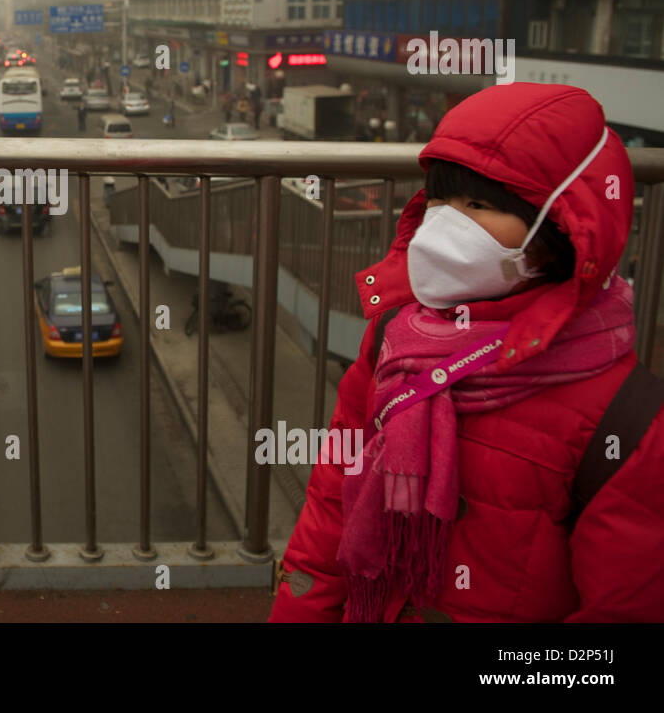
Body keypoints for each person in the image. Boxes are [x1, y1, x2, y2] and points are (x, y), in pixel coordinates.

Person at [270, 83, 664, 623]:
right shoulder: (393, 335)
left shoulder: (628, 419)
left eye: (478, 205)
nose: (446, 225)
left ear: (561, 229)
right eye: (439, 201)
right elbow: (332, 502)